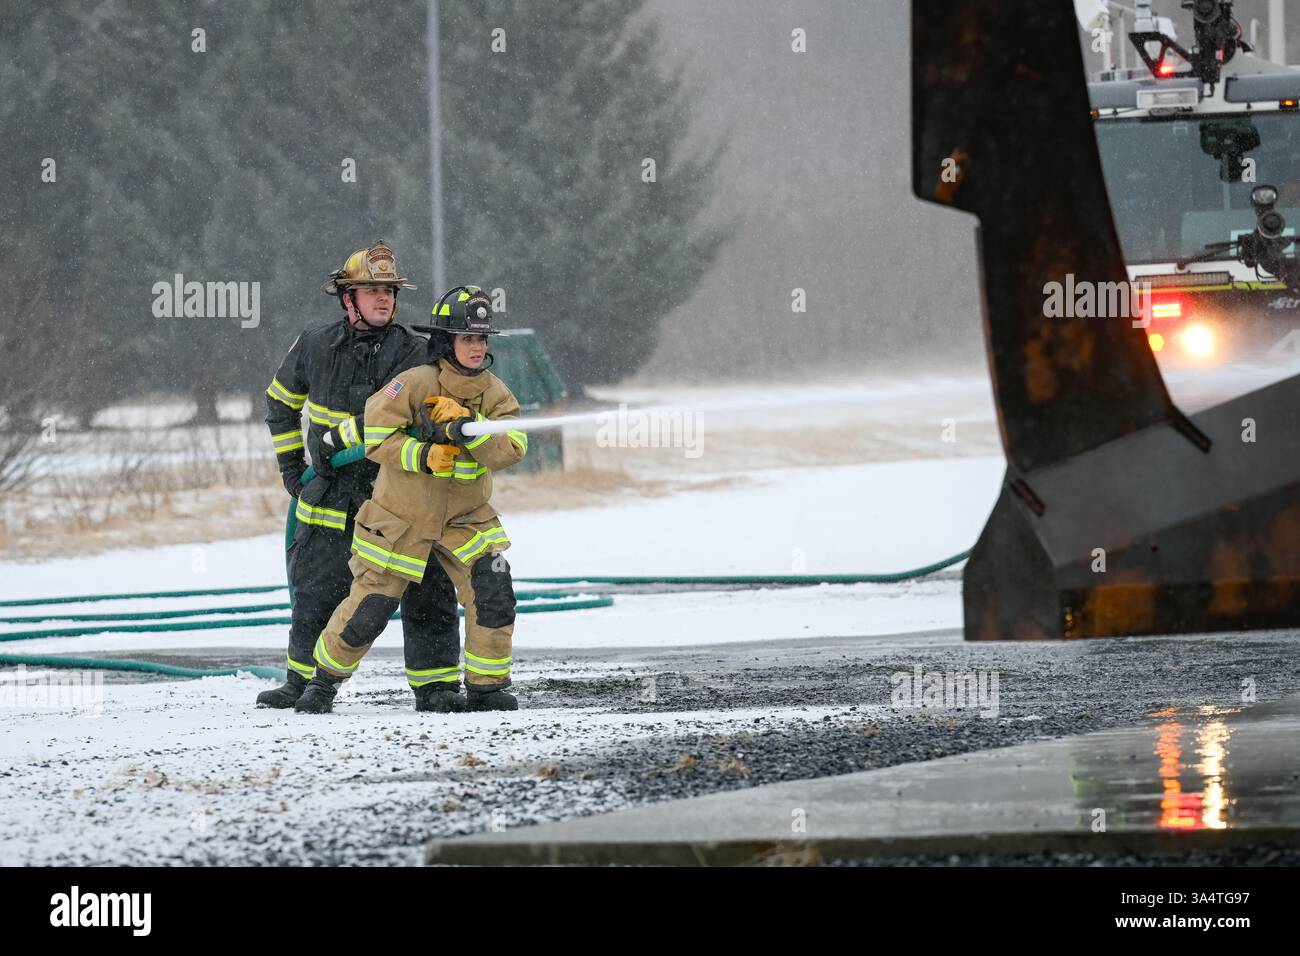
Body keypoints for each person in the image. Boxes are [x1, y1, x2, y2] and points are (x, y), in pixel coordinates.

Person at [294, 285, 528, 715]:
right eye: (467, 338)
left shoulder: (496, 394)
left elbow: (512, 449)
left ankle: (486, 688)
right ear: (446, 341)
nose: (477, 347)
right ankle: (322, 682)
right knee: (370, 608)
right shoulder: (411, 383)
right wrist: (423, 455)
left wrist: (470, 425)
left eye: (481, 338)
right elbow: (376, 437)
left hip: (466, 520)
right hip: (400, 520)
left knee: (493, 588)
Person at [258, 243, 463, 711]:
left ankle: (435, 686)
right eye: (372, 290)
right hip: (331, 494)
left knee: (425, 584)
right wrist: (292, 470)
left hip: (399, 492)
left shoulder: (416, 352)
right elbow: (280, 404)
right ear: (347, 297)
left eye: (389, 290)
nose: (384, 298)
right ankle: (301, 681)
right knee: (316, 588)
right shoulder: (314, 346)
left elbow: (434, 410)